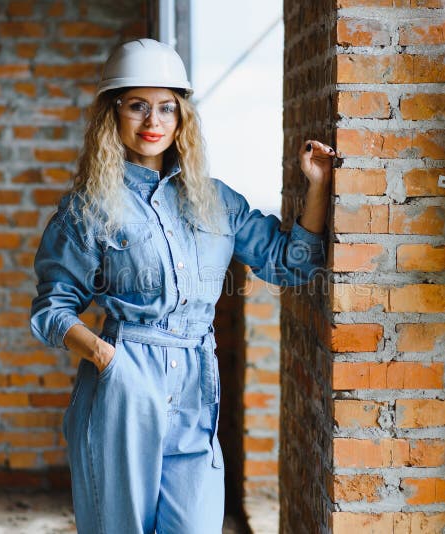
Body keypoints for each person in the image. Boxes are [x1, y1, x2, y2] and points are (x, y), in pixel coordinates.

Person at [29, 38, 334, 534]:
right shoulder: (87, 208)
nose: (153, 122)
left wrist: (317, 185)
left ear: (182, 117)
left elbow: (290, 264)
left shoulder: (215, 200)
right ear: (114, 113)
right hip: (125, 382)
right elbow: (52, 310)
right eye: (137, 106)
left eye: (166, 108)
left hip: (197, 383)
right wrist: (108, 360)